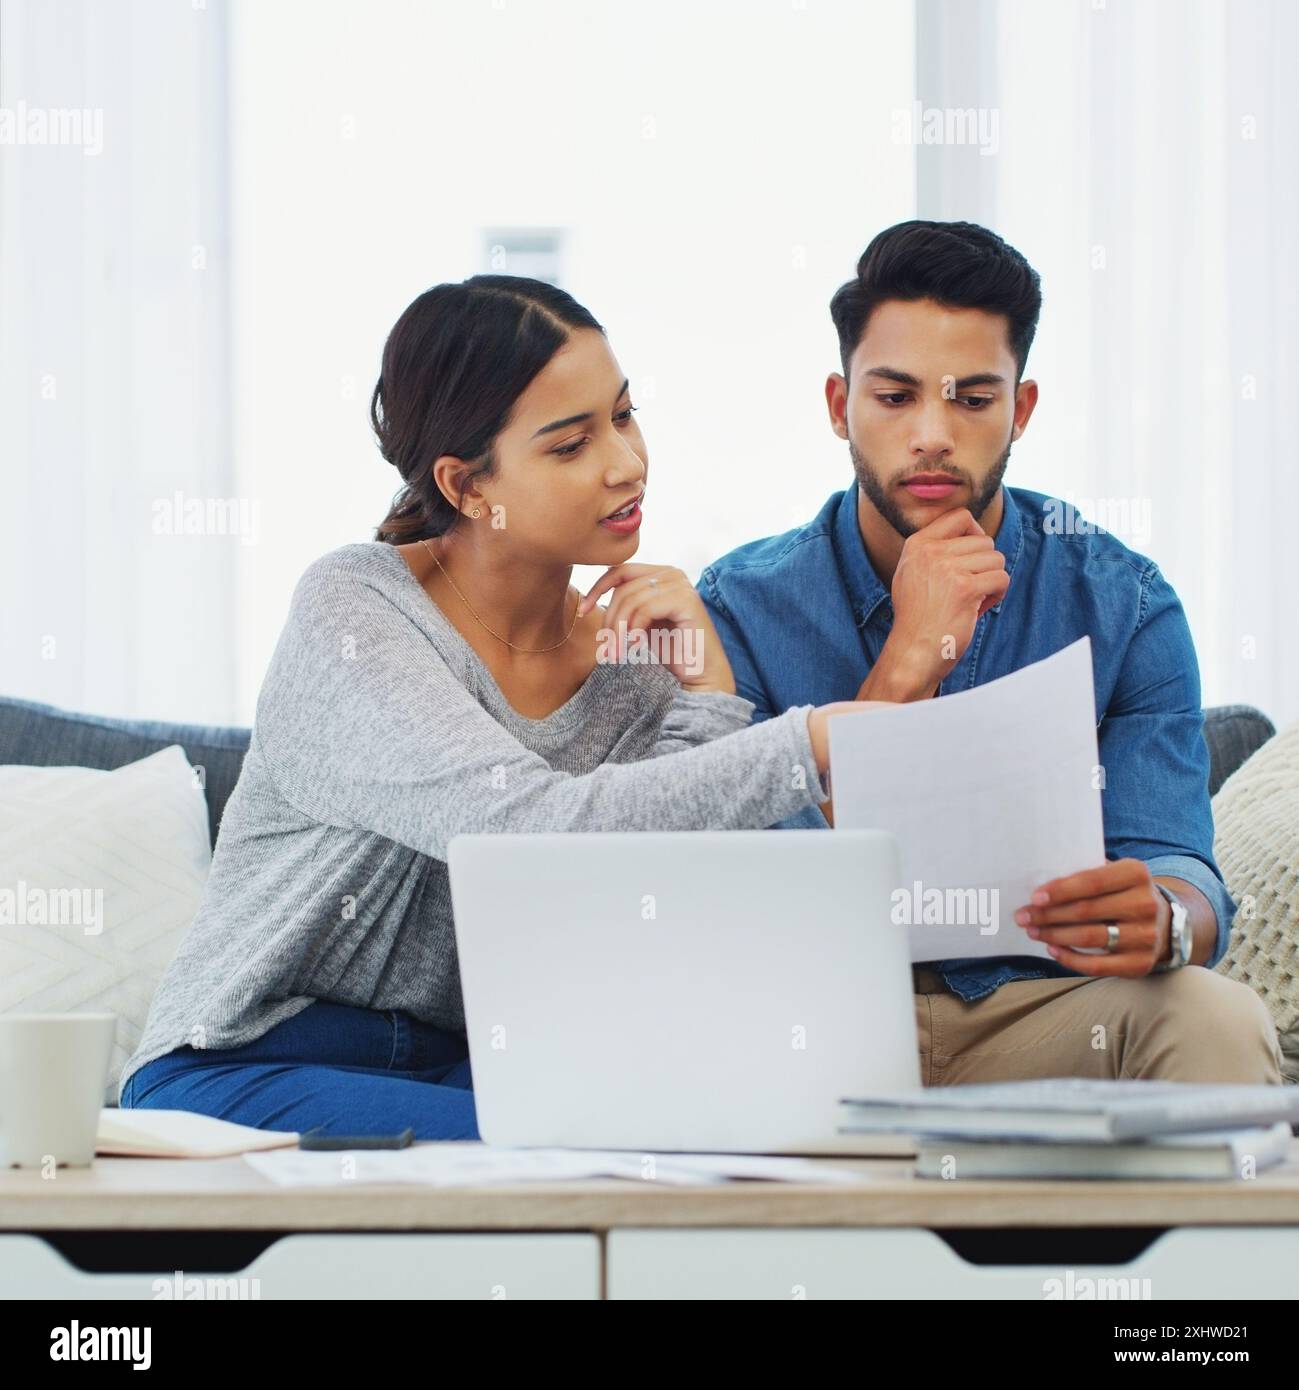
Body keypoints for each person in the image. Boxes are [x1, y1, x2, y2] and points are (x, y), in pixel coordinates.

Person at [118, 275, 878, 1139]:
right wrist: (802, 741)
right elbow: (526, 833)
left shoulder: (631, 661)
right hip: (246, 1059)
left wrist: (705, 691)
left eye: (623, 416)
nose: (626, 463)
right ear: (469, 486)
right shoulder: (357, 611)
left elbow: (648, 889)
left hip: (477, 1059)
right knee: (584, 1150)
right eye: (569, 445)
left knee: (701, 1124)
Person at [698, 220, 1283, 1086]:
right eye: (894, 397)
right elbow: (759, 902)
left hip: (1042, 1008)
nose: (931, 435)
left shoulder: (1123, 601)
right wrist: (908, 659)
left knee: (1215, 1018)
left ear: (1021, 408)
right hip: (809, 1020)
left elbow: (1177, 865)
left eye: (972, 399)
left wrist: (1162, 918)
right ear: (838, 405)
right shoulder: (736, 606)